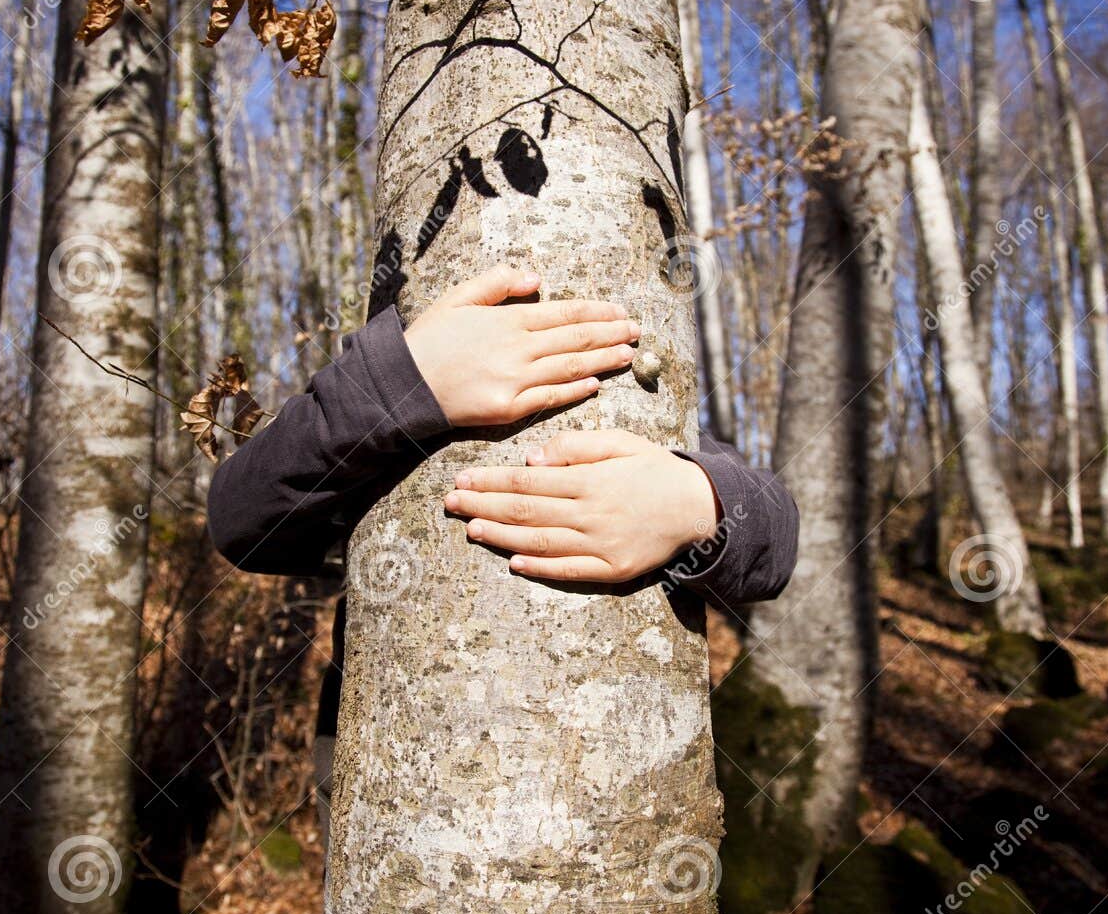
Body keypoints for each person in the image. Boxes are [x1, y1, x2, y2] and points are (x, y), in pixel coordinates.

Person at [207, 264, 799, 832]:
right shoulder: (370, 426)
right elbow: (238, 515)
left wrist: (694, 500)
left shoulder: (647, 420)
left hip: (628, 838)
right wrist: (403, 379)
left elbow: (777, 536)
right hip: (390, 846)